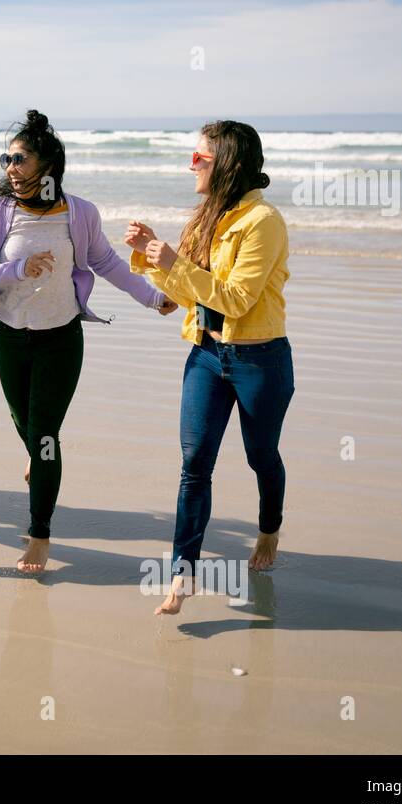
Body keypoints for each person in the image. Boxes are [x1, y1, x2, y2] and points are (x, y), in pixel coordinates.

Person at [0, 110, 177, 574]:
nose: (9, 168)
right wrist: (17, 269)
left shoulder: (79, 214)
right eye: (5, 159)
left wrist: (155, 297)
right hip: (11, 339)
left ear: (48, 165)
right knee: (25, 424)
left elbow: (109, 264)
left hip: (62, 340)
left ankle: (39, 534)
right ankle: (37, 463)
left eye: (19, 159)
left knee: (44, 436)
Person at [124, 120, 293, 615]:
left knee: (261, 456)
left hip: (259, 360)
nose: (190, 165)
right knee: (194, 463)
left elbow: (237, 300)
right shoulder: (205, 217)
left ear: (227, 165)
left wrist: (174, 260)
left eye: (199, 158)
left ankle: (268, 529)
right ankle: (182, 573)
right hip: (205, 356)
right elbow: (184, 295)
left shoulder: (263, 221)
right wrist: (150, 255)